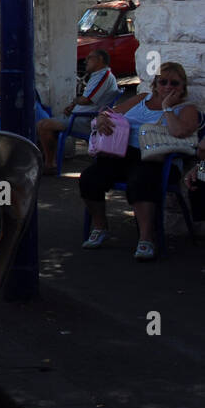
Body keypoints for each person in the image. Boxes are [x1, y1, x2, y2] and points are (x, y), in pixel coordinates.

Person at [80, 62, 199, 261]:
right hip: (124, 154)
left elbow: (180, 132)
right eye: (163, 82)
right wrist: (101, 119)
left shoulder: (186, 109)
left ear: (182, 87)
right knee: (90, 178)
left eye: (174, 83)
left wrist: (166, 109)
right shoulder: (142, 98)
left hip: (159, 160)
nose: (168, 87)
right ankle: (100, 227)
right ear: (155, 84)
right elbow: (111, 112)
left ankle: (146, 238)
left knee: (141, 180)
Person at [38, 48, 121, 169]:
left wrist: (75, 102)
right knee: (43, 124)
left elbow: (87, 99)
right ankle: (50, 162)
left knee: (44, 125)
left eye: (90, 58)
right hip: (77, 116)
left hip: (85, 121)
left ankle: (50, 165)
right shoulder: (97, 76)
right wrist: (73, 106)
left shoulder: (104, 75)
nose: (86, 61)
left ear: (100, 59)